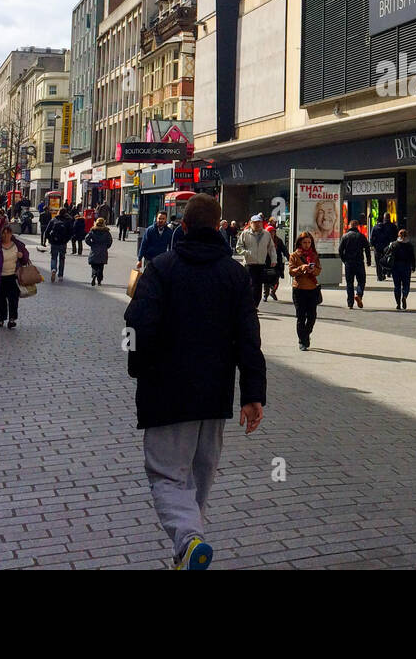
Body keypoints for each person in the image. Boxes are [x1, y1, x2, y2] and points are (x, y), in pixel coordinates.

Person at [123, 193, 266, 570]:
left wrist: (138, 367)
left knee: (168, 476)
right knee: (199, 480)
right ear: (218, 227)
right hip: (214, 397)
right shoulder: (235, 274)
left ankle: (188, 541)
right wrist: (253, 394)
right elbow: (249, 337)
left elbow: (135, 325)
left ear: (182, 227)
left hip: (167, 394)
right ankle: (185, 554)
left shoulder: (162, 268)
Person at [0, 224, 31, 329]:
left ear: (11, 234)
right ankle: (0, 319)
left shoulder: (18, 245)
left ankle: (12, 319)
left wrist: (22, 256)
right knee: (0, 298)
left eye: (8, 233)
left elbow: (25, 258)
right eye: (4, 233)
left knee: (13, 299)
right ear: (1, 234)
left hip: (13, 277)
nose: (6, 235)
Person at [288, 231, 322, 350]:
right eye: (304, 242)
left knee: (312, 316)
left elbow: (319, 270)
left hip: (312, 288)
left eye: (309, 242)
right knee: (301, 316)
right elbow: (291, 271)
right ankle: (302, 340)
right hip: (299, 289)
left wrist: (313, 270)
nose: (307, 245)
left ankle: (305, 334)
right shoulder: (294, 255)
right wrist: (301, 268)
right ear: (300, 243)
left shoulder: (314, 255)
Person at [236, 214, 278, 304]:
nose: (257, 224)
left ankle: (255, 305)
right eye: (255, 222)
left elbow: (271, 248)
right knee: (251, 285)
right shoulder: (245, 233)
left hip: (261, 264)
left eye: (259, 222)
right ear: (251, 223)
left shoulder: (266, 234)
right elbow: (239, 247)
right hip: (249, 264)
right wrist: (246, 253)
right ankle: (249, 304)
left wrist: (274, 259)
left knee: (258, 287)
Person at [337, 220, 371, 309]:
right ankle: (359, 295)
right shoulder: (361, 236)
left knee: (349, 283)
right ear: (357, 226)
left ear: (349, 226)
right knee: (361, 281)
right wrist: (368, 260)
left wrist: (344, 260)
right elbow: (367, 248)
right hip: (359, 262)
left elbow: (340, 250)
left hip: (349, 263)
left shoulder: (345, 237)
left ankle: (350, 303)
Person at [388, 229, 416, 310]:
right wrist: (413, 266)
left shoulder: (394, 244)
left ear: (398, 235)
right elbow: (412, 257)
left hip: (395, 267)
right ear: (407, 235)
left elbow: (388, 255)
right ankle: (404, 296)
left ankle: (398, 303)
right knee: (406, 284)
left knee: (397, 286)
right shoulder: (409, 245)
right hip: (406, 267)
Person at [46, 208, 73, 282]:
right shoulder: (67, 221)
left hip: (54, 242)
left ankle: (53, 269)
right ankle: (60, 275)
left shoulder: (53, 220)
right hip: (63, 243)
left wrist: (49, 240)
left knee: (53, 257)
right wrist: (66, 240)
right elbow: (70, 232)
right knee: (62, 259)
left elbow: (47, 231)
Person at [85, 218, 114, 287]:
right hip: (103, 250)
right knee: (101, 266)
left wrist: (91, 244)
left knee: (94, 265)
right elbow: (110, 240)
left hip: (94, 249)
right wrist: (106, 246)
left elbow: (87, 239)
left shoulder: (93, 230)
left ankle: (94, 274)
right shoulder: (106, 232)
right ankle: (99, 280)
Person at [265, 223, 287, 302]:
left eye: (273, 232)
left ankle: (273, 291)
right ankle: (265, 295)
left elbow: (284, 250)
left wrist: (288, 257)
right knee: (266, 280)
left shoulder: (278, 241)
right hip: (267, 263)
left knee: (276, 279)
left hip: (277, 263)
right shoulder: (264, 241)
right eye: (270, 232)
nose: (272, 233)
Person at [370, 214, 395, 281]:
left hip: (377, 247)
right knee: (385, 260)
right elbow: (391, 237)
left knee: (378, 262)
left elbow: (372, 238)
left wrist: (373, 245)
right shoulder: (387, 227)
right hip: (386, 247)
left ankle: (379, 276)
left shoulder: (374, 228)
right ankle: (384, 272)